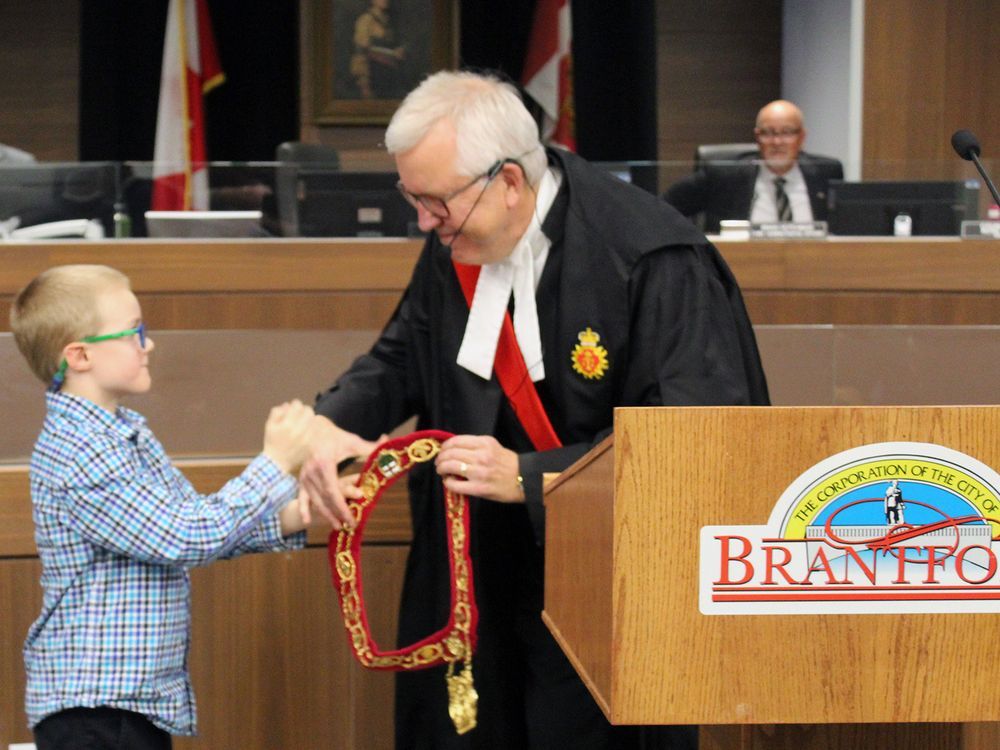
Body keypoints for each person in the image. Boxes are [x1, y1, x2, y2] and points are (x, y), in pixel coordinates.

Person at [300, 70, 769, 749]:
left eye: (434, 202)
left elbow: (697, 445)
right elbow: (403, 355)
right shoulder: (459, 238)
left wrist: (529, 476)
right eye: (413, 198)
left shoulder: (652, 257)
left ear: (510, 182)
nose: (424, 222)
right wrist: (330, 423)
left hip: (608, 576)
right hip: (481, 566)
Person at [9, 264, 372, 749]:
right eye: (134, 332)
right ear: (79, 355)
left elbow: (199, 525)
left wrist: (294, 515)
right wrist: (275, 462)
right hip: (95, 710)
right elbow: (185, 537)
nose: (148, 344)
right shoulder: (82, 451)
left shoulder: (124, 434)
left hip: (125, 705)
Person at [663, 99, 844, 233]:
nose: (777, 142)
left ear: (802, 137)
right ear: (757, 138)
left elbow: (846, 228)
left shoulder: (826, 172)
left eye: (787, 133)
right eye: (768, 133)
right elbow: (665, 208)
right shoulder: (725, 174)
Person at [350, 0, 406, 99]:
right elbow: (361, 52)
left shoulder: (388, 20)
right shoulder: (365, 20)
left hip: (390, 76)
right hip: (374, 76)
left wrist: (398, 51)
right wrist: (364, 84)